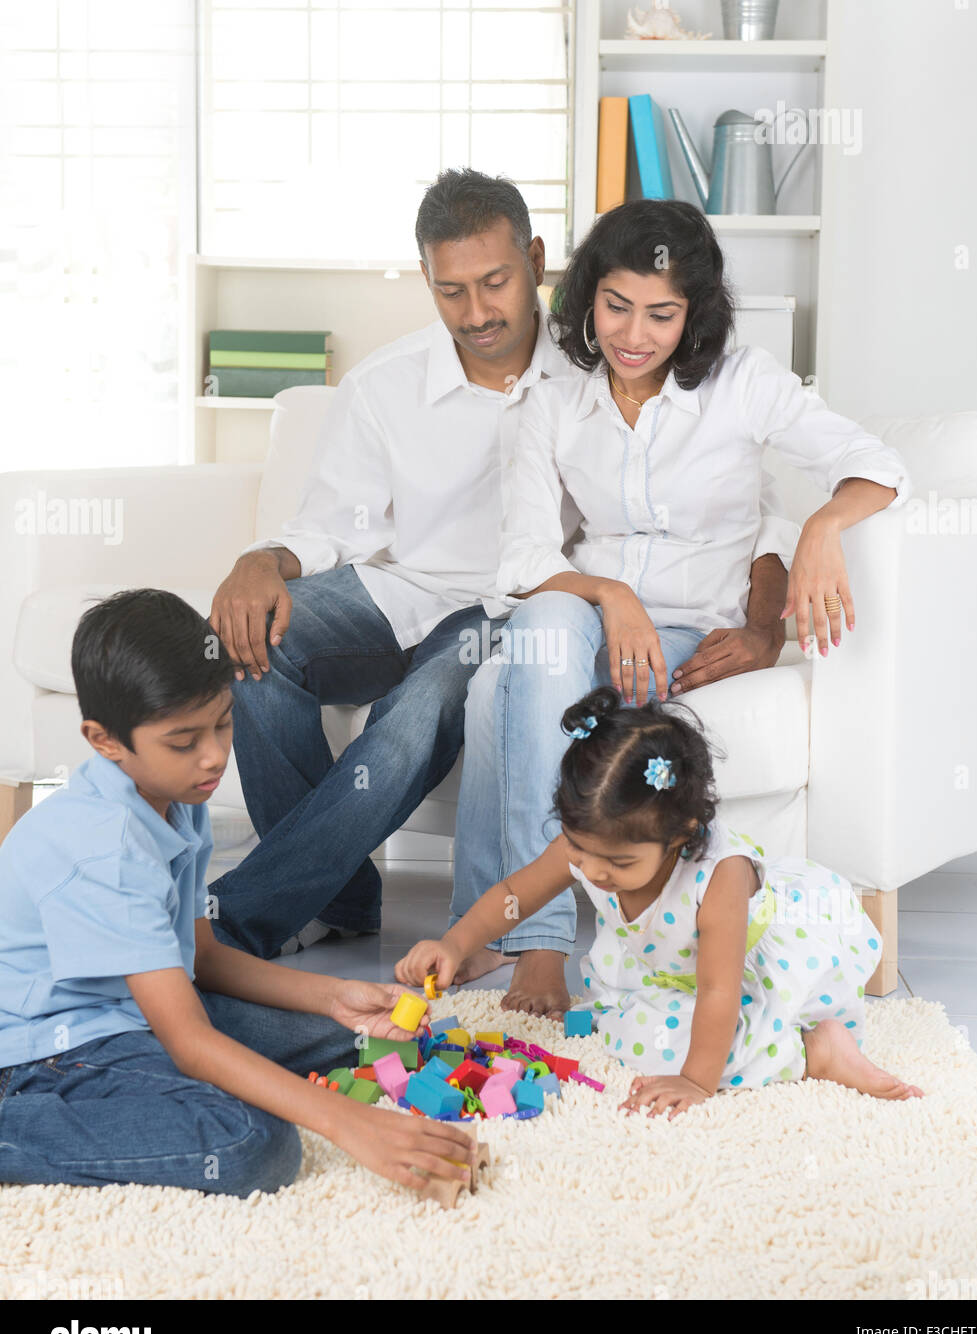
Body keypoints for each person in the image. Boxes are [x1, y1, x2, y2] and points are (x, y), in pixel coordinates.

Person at [205, 170, 793, 974]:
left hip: (513, 610)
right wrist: (263, 562)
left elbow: (742, 508)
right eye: (452, 291)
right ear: (426, 280)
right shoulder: (385, 385)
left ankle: (237, 920)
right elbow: (328, 528)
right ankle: (335, 902)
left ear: (538, 261)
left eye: (495, 282)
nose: (477, 312)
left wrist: (764, 626)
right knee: (256, 645)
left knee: (421, 713)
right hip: (397, 588)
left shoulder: (611, 361)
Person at [452, 197, 912, 1018]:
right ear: (588, 296)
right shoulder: (555, 402)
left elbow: (876, 464)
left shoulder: (745, 385)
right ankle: (540, 940)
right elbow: (524, 561)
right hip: (585, 619)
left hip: (688, 625)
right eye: (617, 306)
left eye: (661, 315)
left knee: (495, 691)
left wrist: (823, 524)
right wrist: (611, 594)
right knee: (536, 635)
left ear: (693, 314)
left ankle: (522, 937)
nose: (634, 335)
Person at [0, 590, 475, 1197]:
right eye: (183, 741)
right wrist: (354, 1124)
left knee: (352, 1042)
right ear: (104, 740)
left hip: (139, 1011)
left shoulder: (175, 799)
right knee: (254, 1144)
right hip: (49, 1052)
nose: (213, 756)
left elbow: (204, 958)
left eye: (223, 723)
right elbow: (190, 1041)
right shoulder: (104, 848)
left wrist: (334, 998)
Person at [397, 687, 924, 1112]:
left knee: (669, 1050)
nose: (595, 872)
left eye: (620, 864)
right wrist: (454, 943)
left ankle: (816, 1050)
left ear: (681, 834)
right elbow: (515, 897)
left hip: (744, 964)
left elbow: (720, 991)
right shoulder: (587, 846)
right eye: (580, 850)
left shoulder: (719, 878)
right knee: (617, 1026)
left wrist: (696, 1081)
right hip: (663, 969)